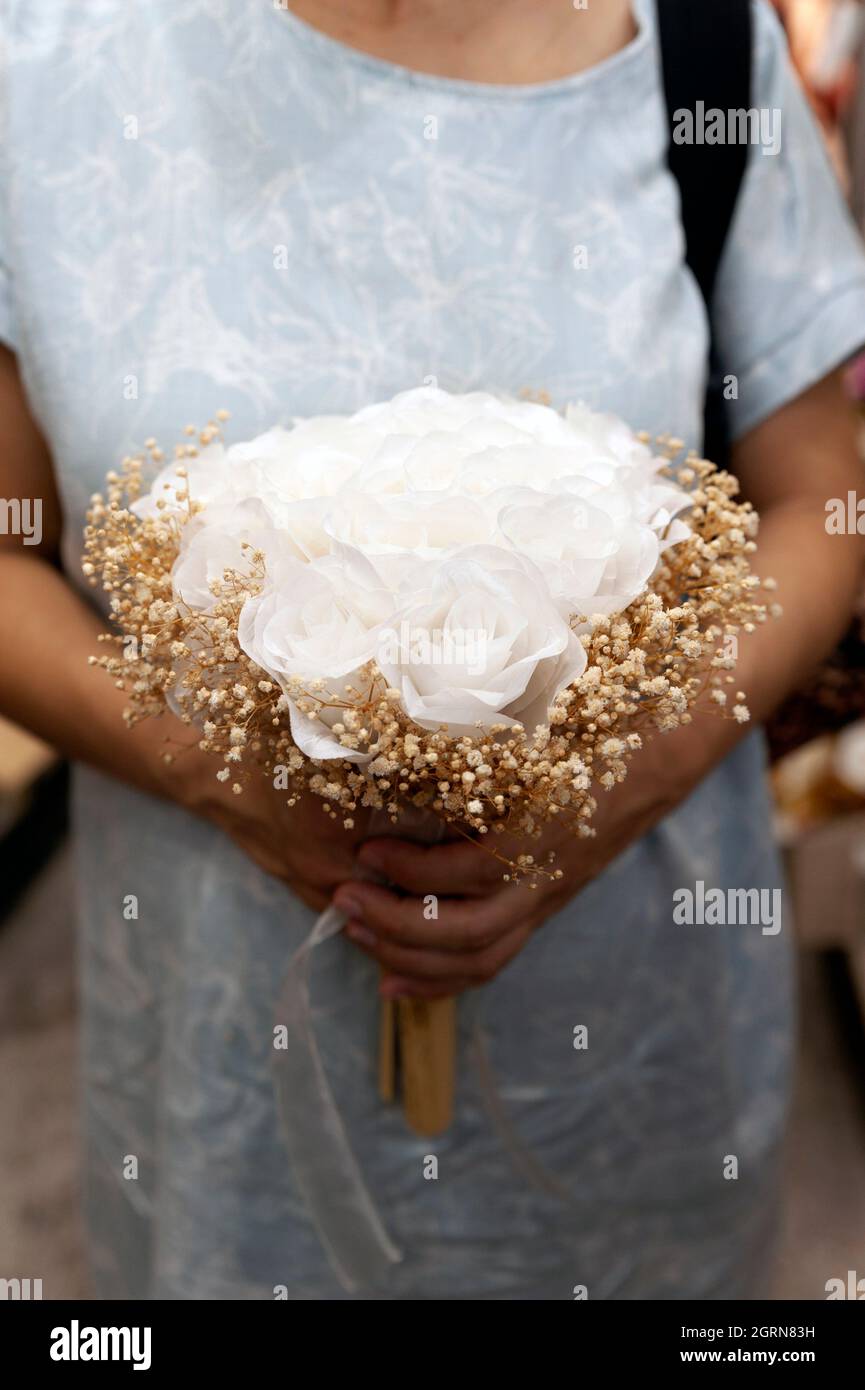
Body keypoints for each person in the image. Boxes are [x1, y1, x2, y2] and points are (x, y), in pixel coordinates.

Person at [1, 0, 864, 1300]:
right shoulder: (42, 62)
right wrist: (215, 767)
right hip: (225, 1053)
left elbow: (820, 500)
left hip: (632, 1032)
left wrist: (600, 788)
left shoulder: (696, 43)